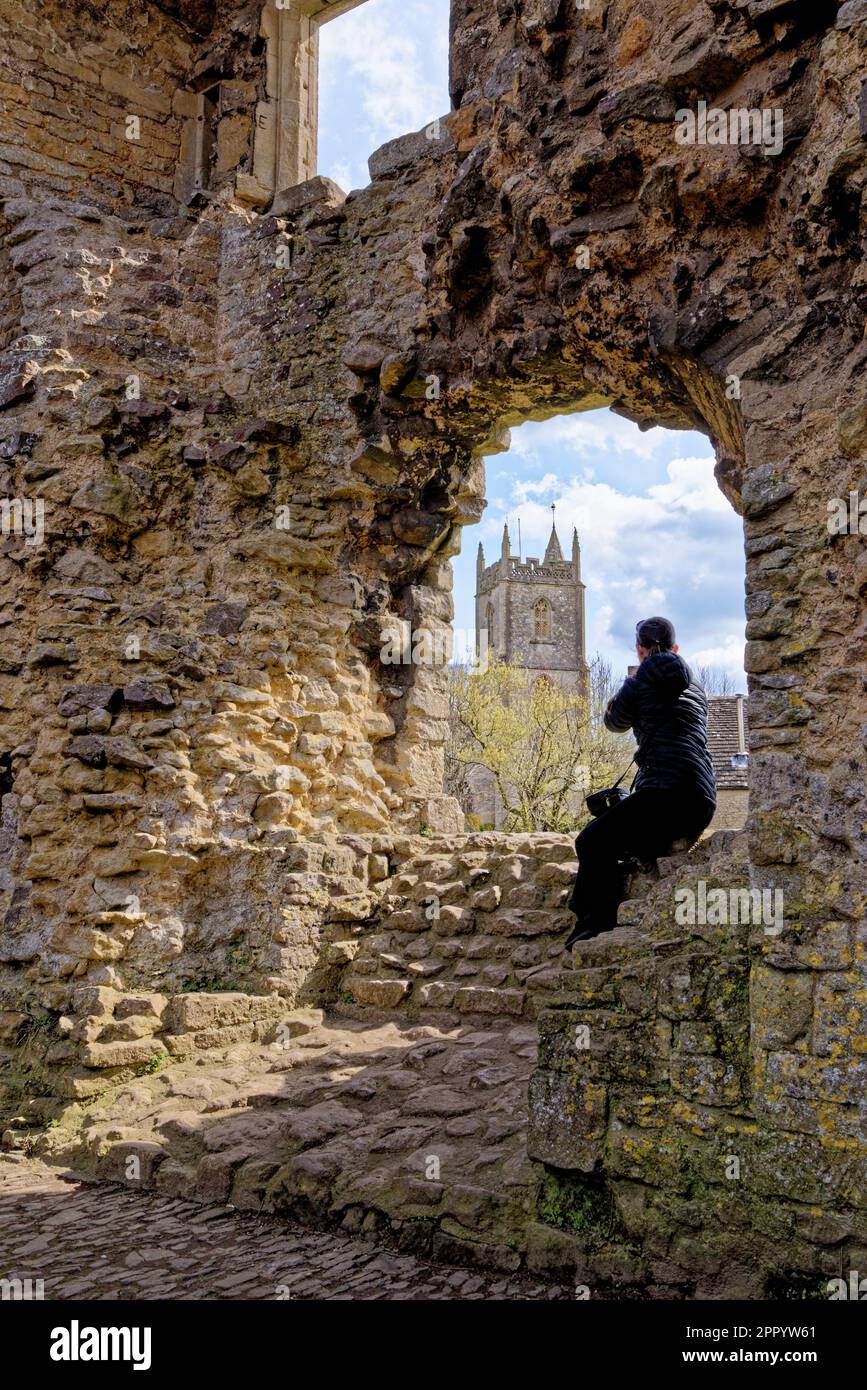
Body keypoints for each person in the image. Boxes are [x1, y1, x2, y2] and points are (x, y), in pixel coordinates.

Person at [566, 616, 717, 948]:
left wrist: (619, 697)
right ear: (676, 647)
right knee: (631, 842)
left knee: (591, 842)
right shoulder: (697, 688)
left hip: (664, 794)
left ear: (639, 650)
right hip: (702, 800)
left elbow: (613, 722)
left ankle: (595, 925)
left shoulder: (639, 680)